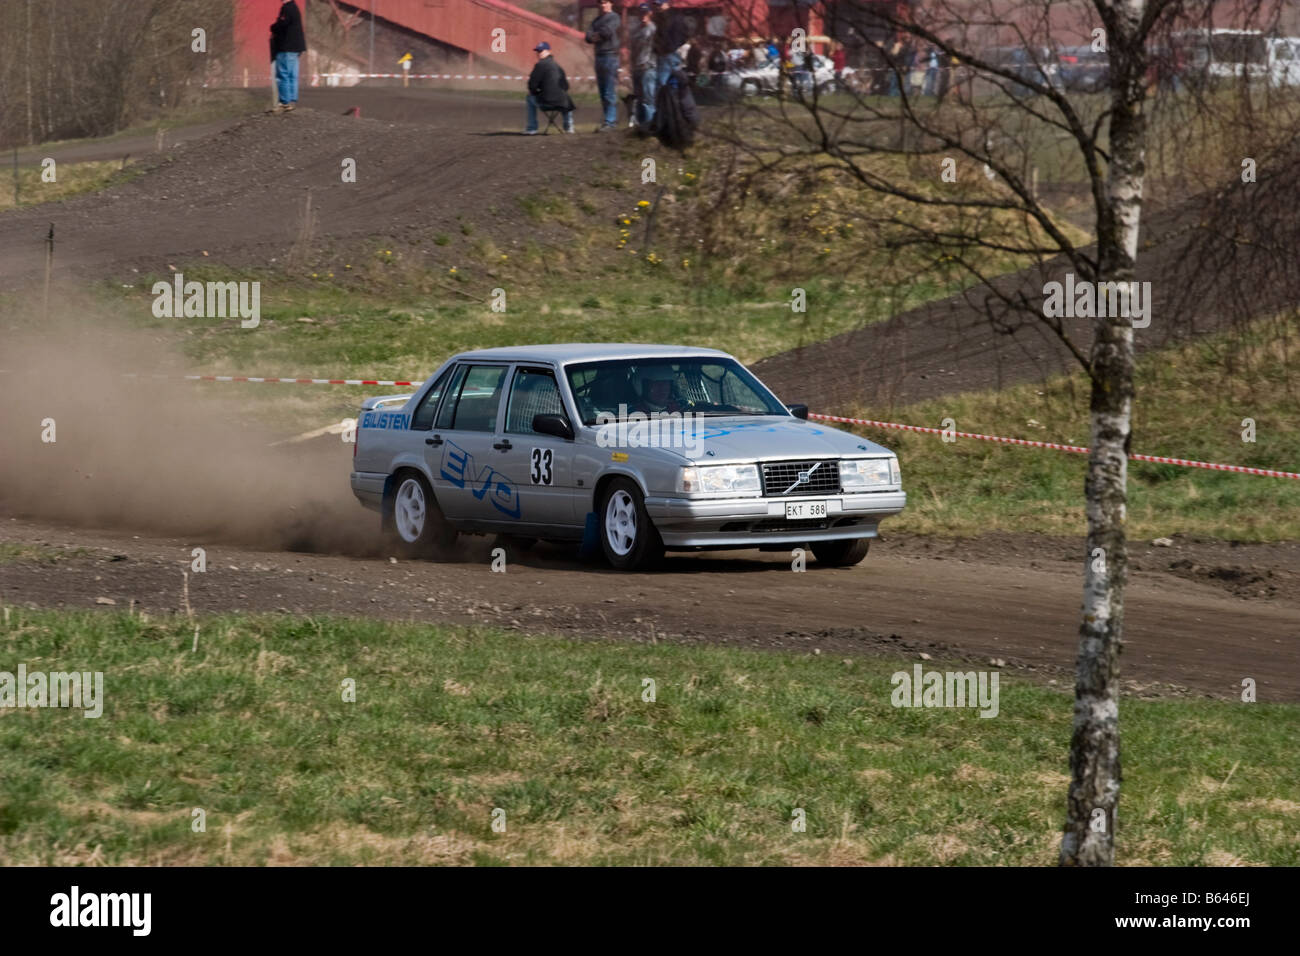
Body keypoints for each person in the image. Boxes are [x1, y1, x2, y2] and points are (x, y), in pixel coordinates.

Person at [585, 0, 622, 132]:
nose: (603, 5)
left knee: (609, 90)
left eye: (605, 2)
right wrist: (597, 35)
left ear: (611, 3)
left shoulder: (615, 17)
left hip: (610, 56)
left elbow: (607, 32)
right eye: (601, 3)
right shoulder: (596, 20)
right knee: (602, 91)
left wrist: (596, 35)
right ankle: (607, 120)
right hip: (599, 56)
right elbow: (587, 37)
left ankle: (610, 121)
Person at [524, 42, 576, 134]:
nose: (539, 53)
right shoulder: (558, 66)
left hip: (546, 103)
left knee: (529, 97)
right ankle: (569, 127)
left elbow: (532, 86)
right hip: (562, 104)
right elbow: (566, 86)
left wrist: (536, 92)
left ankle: (532, 128)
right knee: (565, 98)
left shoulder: (540, 65)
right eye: (538, 51)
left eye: (541, 51)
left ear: (549, 51)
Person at [269, 0, 306, 113]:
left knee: (283, 75)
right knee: (292, 76)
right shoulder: (295, 8)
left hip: (286, 47)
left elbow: (282, 25)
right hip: (296, 48)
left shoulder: (287, 8)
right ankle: (292, 101)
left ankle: (285, 102)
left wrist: (273, 27)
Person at [651, 64, 698, 150]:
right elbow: (690, 113)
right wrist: (695, 126)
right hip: (683, 134)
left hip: (664, 133)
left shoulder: (663, 91)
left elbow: (658, 114)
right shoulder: (684, 92)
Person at [629, 4, 658, 128]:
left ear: (650, 14)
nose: (643, 16)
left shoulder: (653, 29)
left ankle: (650, 124)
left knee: (648, 98)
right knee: (639, 98)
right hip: (637, 67)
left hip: (648, 67)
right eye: (641, 13)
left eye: (645, 13)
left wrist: (650, 62)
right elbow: (632, 49)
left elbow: (657, 47)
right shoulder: (635, 30)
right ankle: (641, 125)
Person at [653, 0, 688, 88]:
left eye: (659, 5)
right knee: (675, 83)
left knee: (661, 82)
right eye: (656, 5)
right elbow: (685, 34)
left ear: (666, 4)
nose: (658, 7)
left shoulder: (664, 18)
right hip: (673, 53)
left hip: (666, 54)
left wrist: (665, 48)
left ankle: (662, 100)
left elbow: (661, 36)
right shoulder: (677, 16)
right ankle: (677, 99)